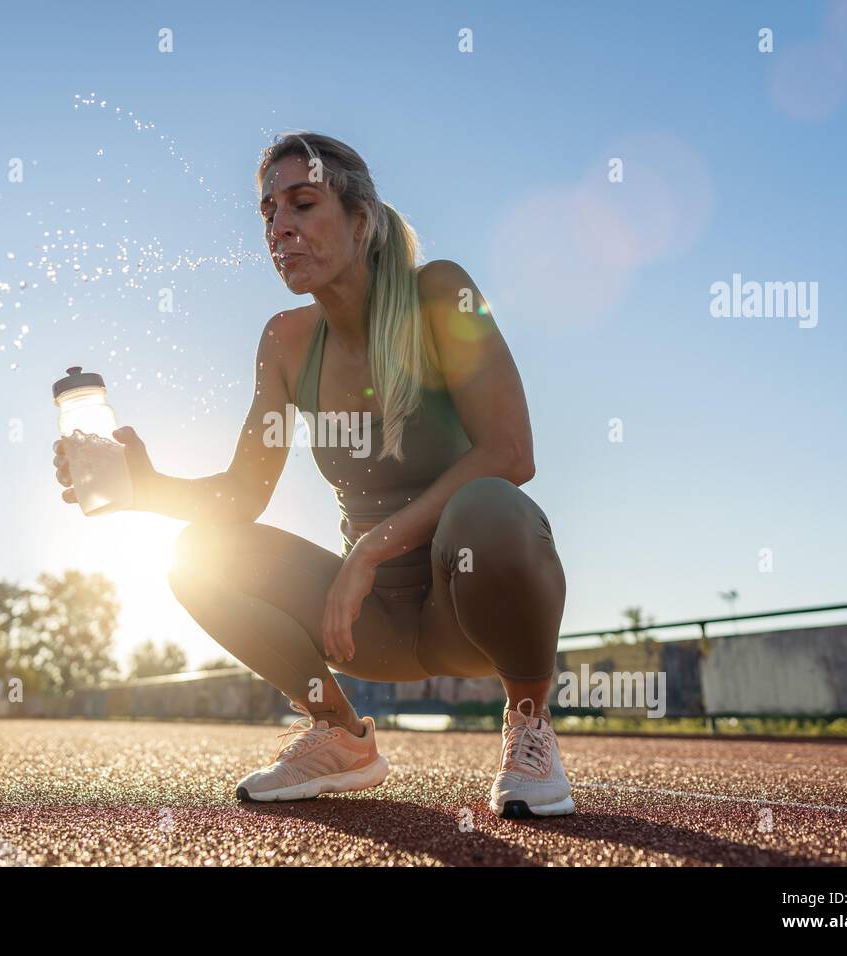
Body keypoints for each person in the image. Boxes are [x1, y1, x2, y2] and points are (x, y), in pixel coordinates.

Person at [52, 132, 572, 818]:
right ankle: (339, 735)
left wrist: (368, 548)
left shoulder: (444, 293)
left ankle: (529, 723)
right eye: (268, 213)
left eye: (302, 203)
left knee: (490, 507)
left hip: (467, 607)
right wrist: (141, 487)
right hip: (364, 624)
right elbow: (240, 497)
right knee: (197, 553)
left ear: (360, 221)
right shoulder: (285, 342)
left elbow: (511, 452)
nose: (280, 227)